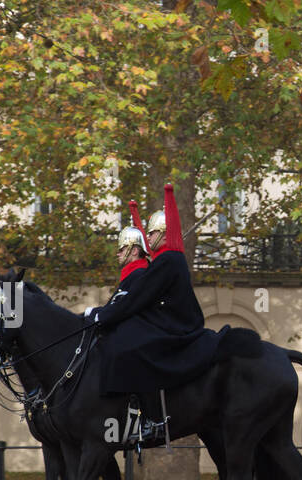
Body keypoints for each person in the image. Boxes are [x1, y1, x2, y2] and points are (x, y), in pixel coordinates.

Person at [86, 186, 211, 443]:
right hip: (165, 319)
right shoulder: (164, 260)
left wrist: (102, 316)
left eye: (153, 232)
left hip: (177, 325)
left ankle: (153, 418)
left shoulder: (168, 261)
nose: (150, 236)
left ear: (164, 234)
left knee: (131, 347)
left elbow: (135, 300)